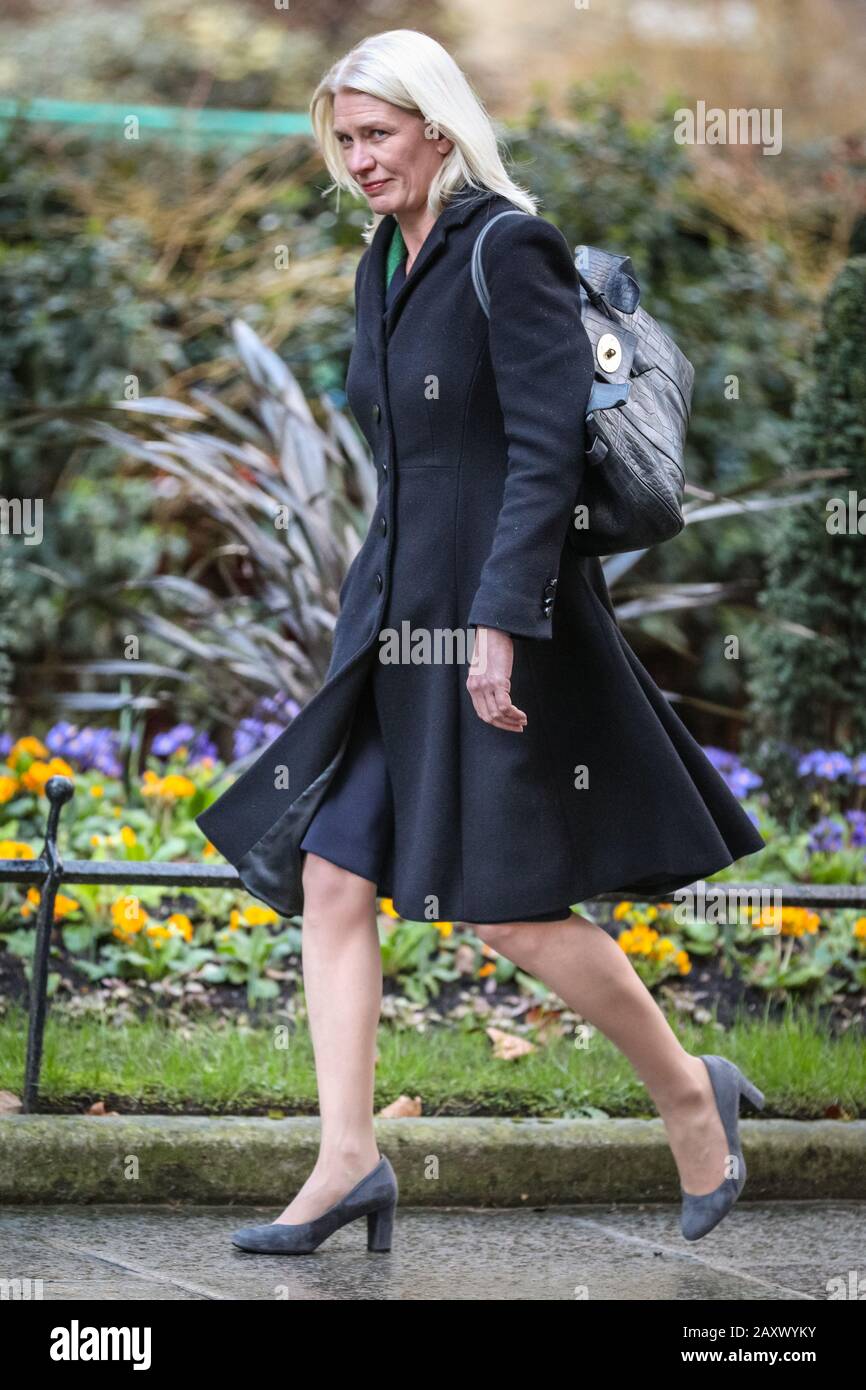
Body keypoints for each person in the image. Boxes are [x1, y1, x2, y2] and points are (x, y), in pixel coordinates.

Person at [221, 29, 766, 1257]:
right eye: (343, 140)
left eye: (376, 135)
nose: (357, 159)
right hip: (394, 622)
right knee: (332, 873)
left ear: (438, 129)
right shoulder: (384, 260)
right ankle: (348, 1158)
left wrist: (495, 622)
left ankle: (692, 1093)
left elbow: (543, 447)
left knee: (511, 910)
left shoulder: (503, 247)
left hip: (499, 619)